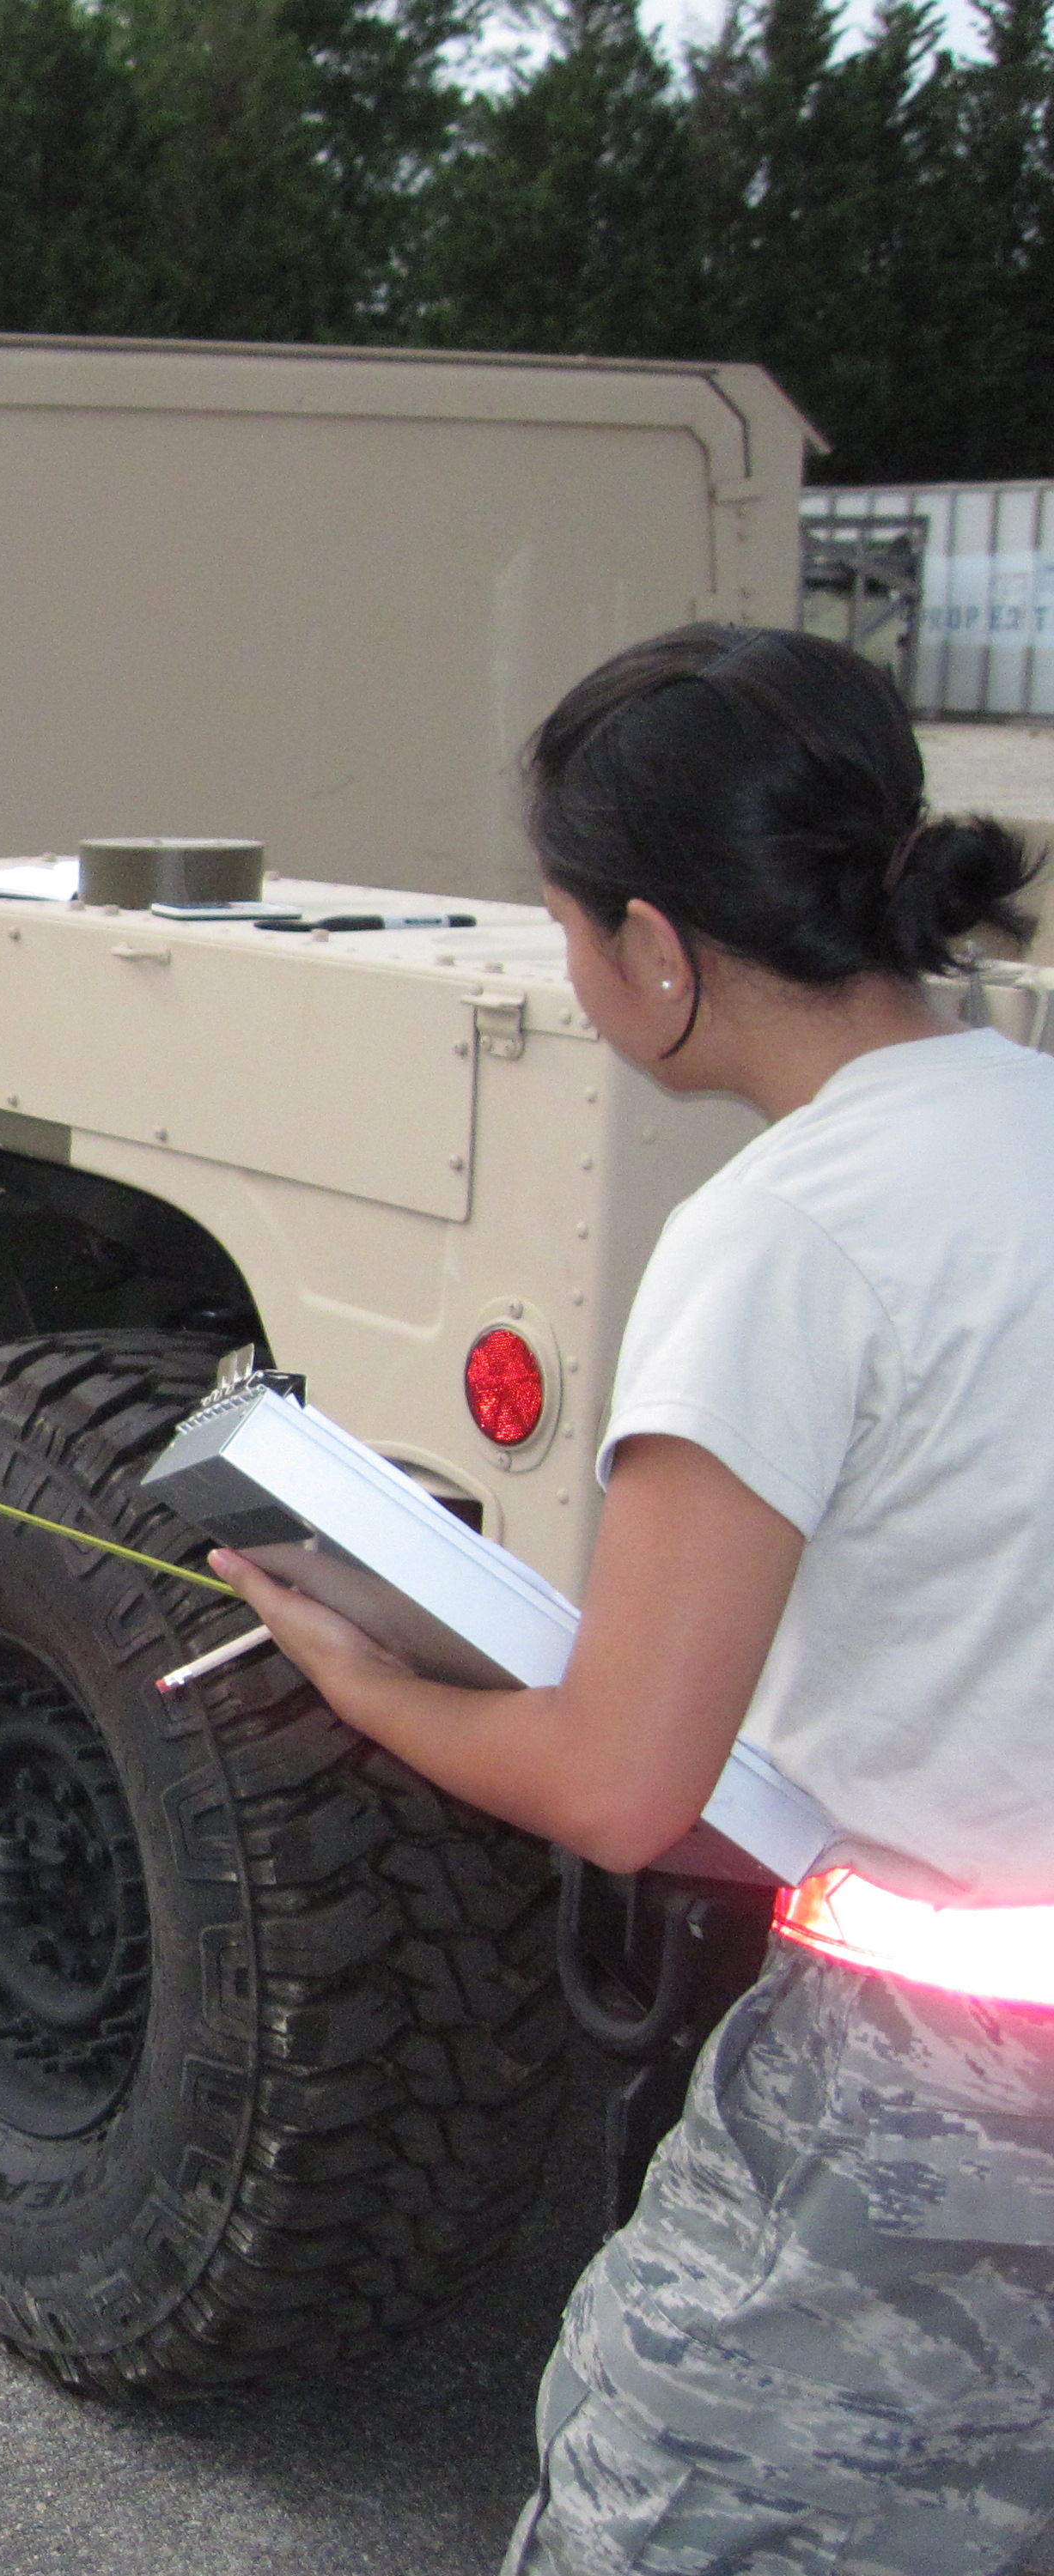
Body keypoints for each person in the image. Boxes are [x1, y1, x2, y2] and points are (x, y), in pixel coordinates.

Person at [215, 625, 1052, 2576]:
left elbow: (617, 1780)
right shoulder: (1022, 1117)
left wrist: (358, 1669)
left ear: (654, 951)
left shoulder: (785, 1235)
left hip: (946, 2089)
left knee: (661, 2484)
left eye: (572, 929)